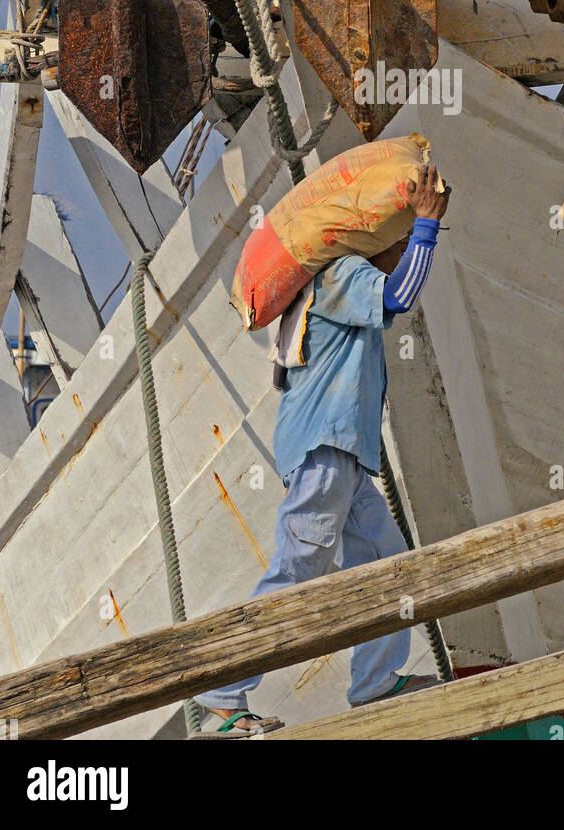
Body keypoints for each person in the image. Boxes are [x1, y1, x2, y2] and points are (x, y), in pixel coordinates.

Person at [198, 163, 451, 733]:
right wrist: (429, 225)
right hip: (326, 450)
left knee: (386, 567)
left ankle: (376, 683)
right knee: (298, 567)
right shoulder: (343, 274)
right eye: (400, 240)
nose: (403, 250)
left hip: (342, 457)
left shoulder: (324, 284)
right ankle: (221, 693)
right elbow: (400, 296)